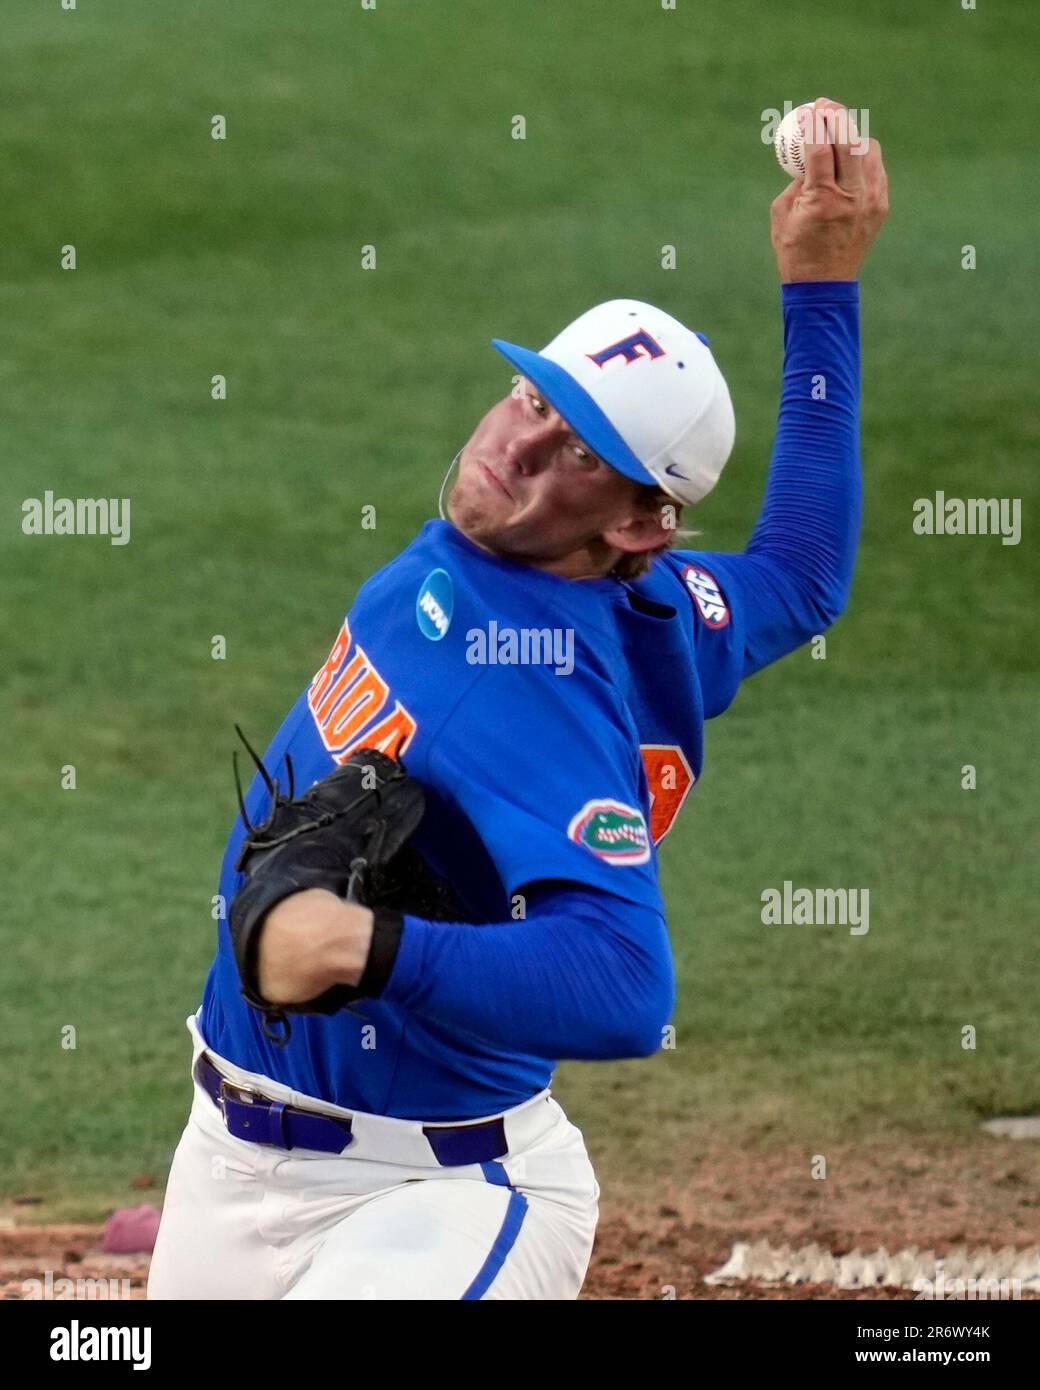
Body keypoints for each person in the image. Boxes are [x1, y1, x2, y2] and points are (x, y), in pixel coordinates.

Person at [148, 98, 888, 1300]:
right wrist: (819, 284)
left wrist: (362, 942)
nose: (516, 446)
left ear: (638, 517)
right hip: (228, 1164)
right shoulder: (655, 603)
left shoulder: (534, 688)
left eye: (577, 451)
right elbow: (800, 574)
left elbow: (622, 984)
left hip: (436, 1198)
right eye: (534, 400)